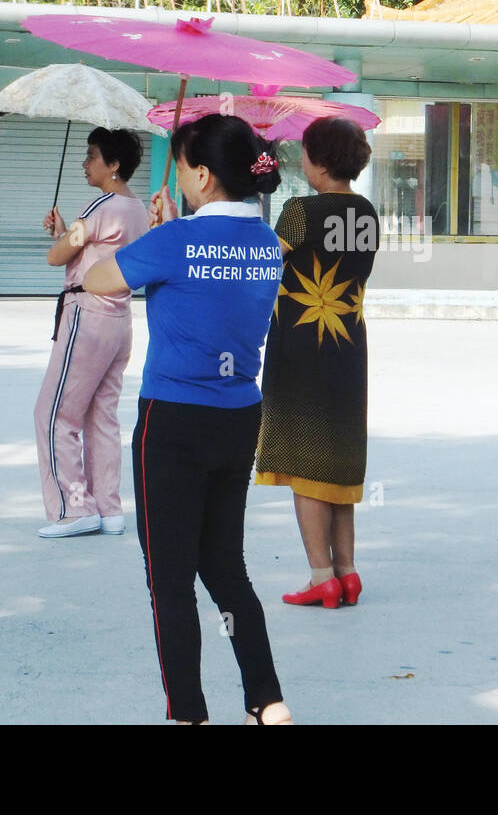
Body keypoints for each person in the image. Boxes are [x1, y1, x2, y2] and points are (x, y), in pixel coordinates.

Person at [82, 114, 291, 725]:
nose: (175, 178)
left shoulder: (174, 241)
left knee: (169, 579)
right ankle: (267, 702)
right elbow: (215, 279)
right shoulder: (268, 244)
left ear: (201, 176)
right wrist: (174, 235)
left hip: (172, 422)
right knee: (226, 568)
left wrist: (159, 239)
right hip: (239, 417)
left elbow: (98, 280)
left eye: (179, 167)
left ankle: (189, 714)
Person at [254, 117, 378, 609]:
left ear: (320, 162)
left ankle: (321, 576)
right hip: (349, 348)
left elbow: (263, 262)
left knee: (305, 462)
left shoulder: (301, 210)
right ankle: (347, 572)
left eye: (304, 153)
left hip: (302, 351)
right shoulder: (366, 212)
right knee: (339, 465)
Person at [34, 128, 149, 538]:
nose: (85, 164)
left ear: (113, 165)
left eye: (92, 156)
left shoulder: (101, 205)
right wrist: (67, 232)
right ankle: (109, 508)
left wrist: (64, 237)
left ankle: (73, 508)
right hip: (119, 319)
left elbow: (57, 256)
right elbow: (86, 248)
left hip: (87, 315)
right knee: (102, 414)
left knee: (54, 414)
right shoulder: (137, 208)